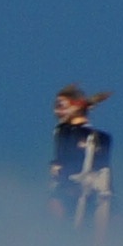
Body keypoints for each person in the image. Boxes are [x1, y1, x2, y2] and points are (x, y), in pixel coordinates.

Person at [49, 82, 114, 218]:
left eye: (61, 106)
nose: (57, 112)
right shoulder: (63, 131)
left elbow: (103, 169)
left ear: (76, 105)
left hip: (93, 189)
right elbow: (60, 162)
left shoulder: (100, 138)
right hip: (69, 187)